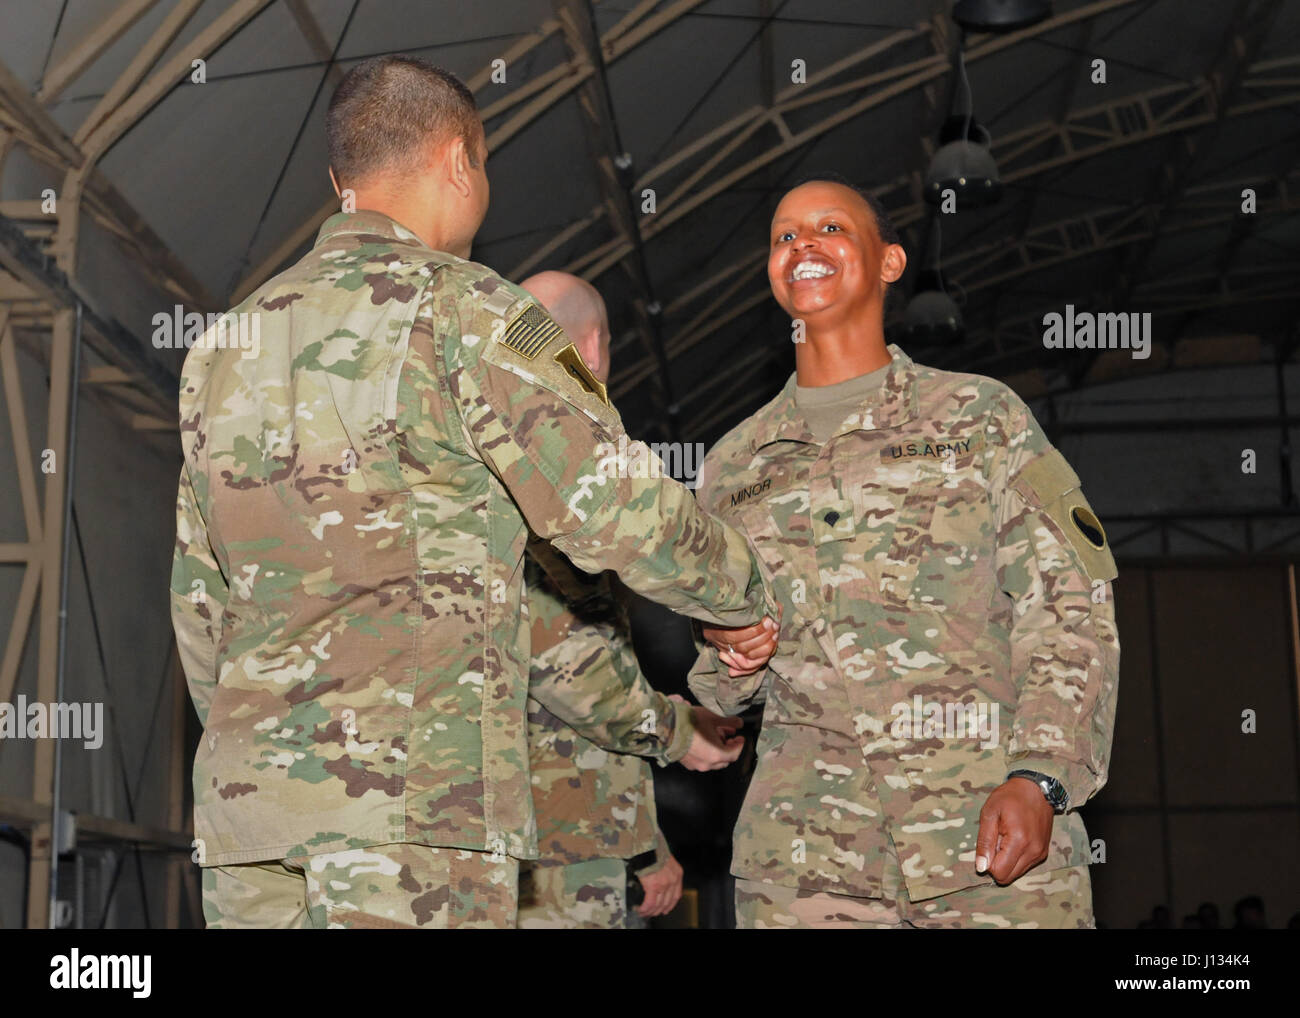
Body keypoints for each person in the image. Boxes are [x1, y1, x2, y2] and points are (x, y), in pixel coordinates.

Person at [170, 56, 774, 930]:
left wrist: (253, 744)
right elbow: (611, 505)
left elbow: (200, 599)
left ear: (342, 179)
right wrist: (739, 596)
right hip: (417, 809)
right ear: (460, 159)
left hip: (249, 814)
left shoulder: (221, 347)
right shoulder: (471, 311)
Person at [688, 174, 1120, 929]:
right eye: (785, 237)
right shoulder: (733, 464)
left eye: (830, 230)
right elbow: (716, 690)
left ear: (890, 263)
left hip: (986, 835)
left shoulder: (980, 417)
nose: (803, 248)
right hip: (807, 864)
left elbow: (1068, 606)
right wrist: (729, 650)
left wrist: (1042, 778)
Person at [513, 271, 716, 928]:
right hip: (550, 856)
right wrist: (678, 731)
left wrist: (647, 848)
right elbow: (567, 664)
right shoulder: (552, 465)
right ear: (594, 348)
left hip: (541, 836)